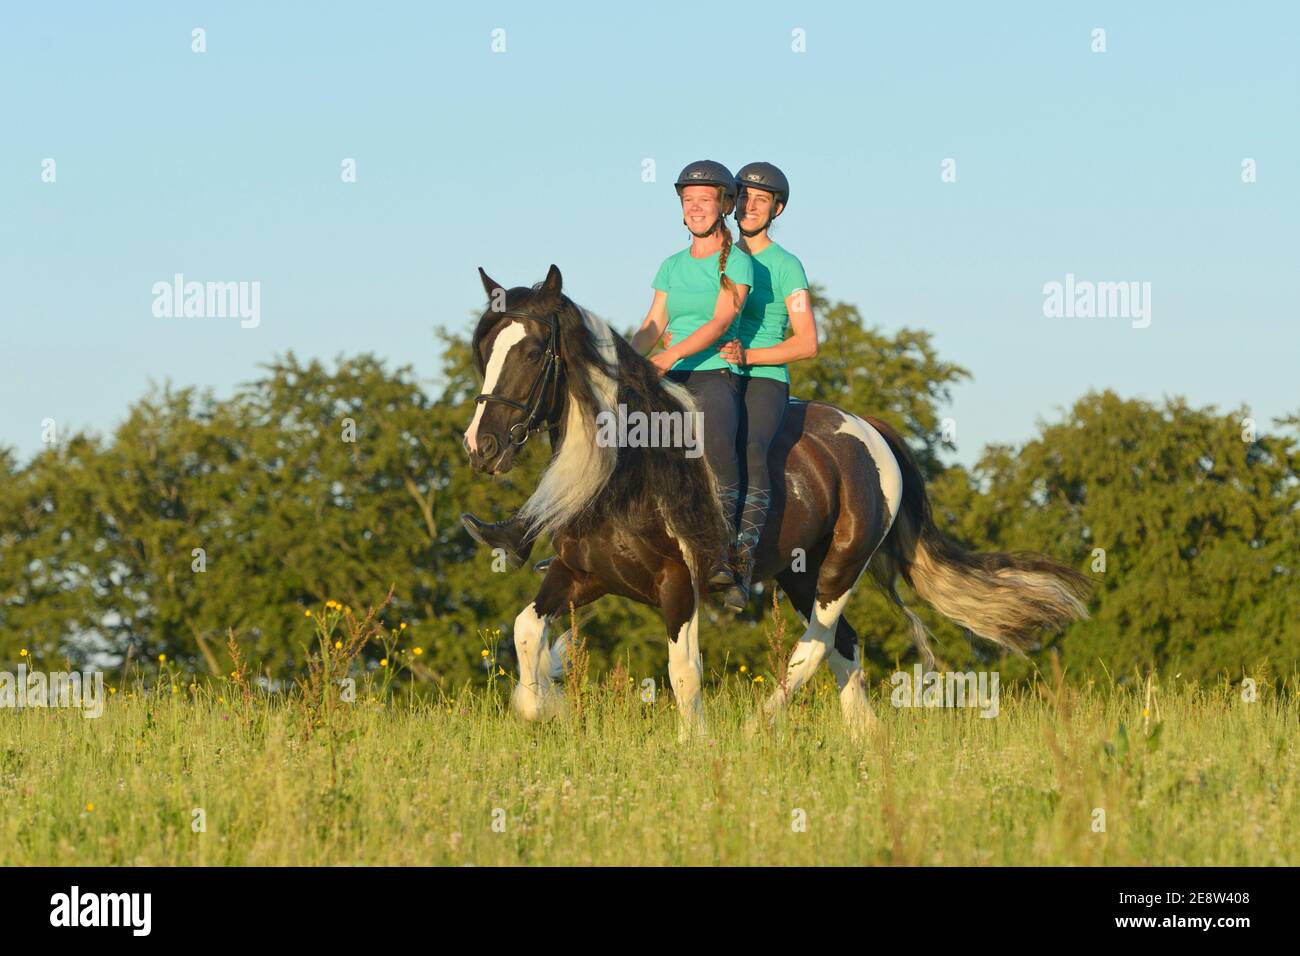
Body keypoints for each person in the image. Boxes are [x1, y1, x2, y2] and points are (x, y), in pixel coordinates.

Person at [663, 162, 817, 610]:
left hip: (761, 375)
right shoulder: (719, 256)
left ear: (778, 209)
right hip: (714, 368)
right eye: (744, 197)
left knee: (749, 448)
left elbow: (807, 343)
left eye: (761, 200)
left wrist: (751, 355)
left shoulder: (787, 266)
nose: (750, 207)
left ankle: (739, 562)